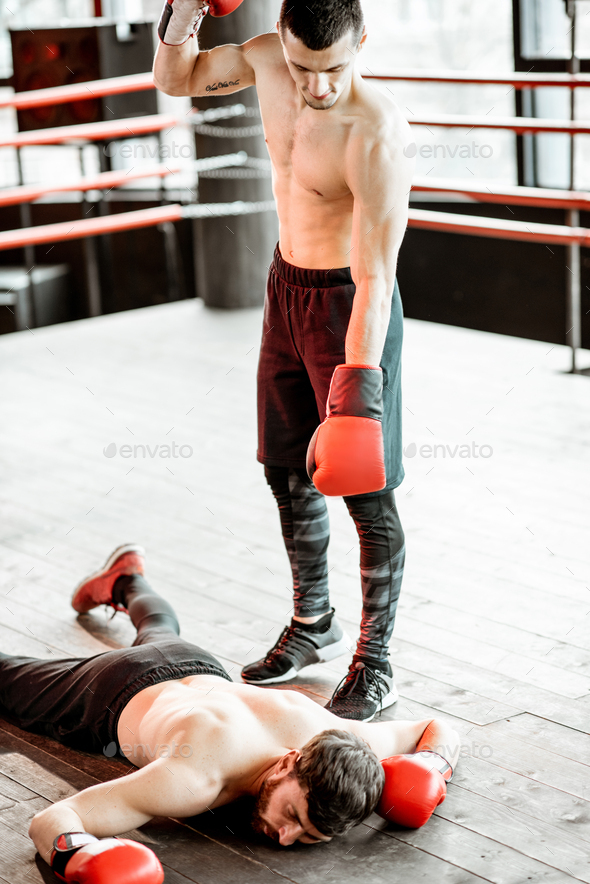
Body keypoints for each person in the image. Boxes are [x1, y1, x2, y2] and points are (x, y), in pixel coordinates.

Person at [153, 0, 415, 722]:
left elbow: (376, 275)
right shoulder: (267, 59)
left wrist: (359, 391)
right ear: (283, 45)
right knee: (284, 468)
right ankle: (313, 623)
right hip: (287, 286)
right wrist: (182, 12)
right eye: (304, 67)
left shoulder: (375, 131)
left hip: (349, 304)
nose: (318, 86)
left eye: (334, 68)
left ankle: (376, 659)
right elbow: (176, 81)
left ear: (362, 41)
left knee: (367, 490)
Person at [0, 547, 459, 880]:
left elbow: (436, 728)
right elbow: (53, 820)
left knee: (159, 630)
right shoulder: (194, 778)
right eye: (294, 816)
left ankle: (126, 579)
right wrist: (77, 857)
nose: (284, 837)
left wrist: (430, 767)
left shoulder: (334, 735)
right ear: (288, 762)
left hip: (193, 661)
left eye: (306, 837)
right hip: (108, 690)